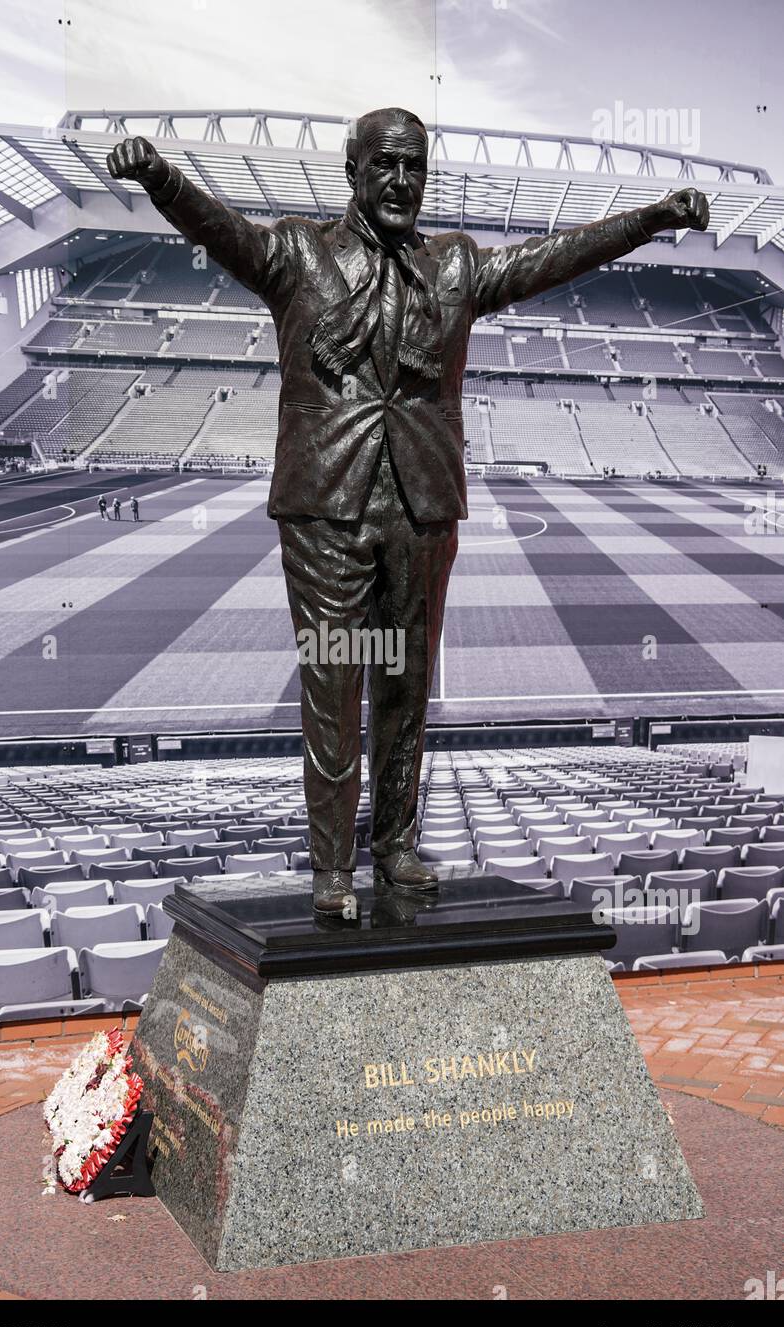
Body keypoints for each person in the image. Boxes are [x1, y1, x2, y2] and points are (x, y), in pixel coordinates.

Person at [107, 112, 708, 915]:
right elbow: (223, 233)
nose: (400, 181)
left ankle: (393, 846)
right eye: (385, 165)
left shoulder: (453, 266)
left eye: (414, 167)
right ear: (352, 170)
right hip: (326, 508)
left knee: (405, 684)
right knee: (332, 681)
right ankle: (331, 864)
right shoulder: (297, 252)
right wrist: (161, 178)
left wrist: (651, 219)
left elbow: (552, 258)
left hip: (420, 508)